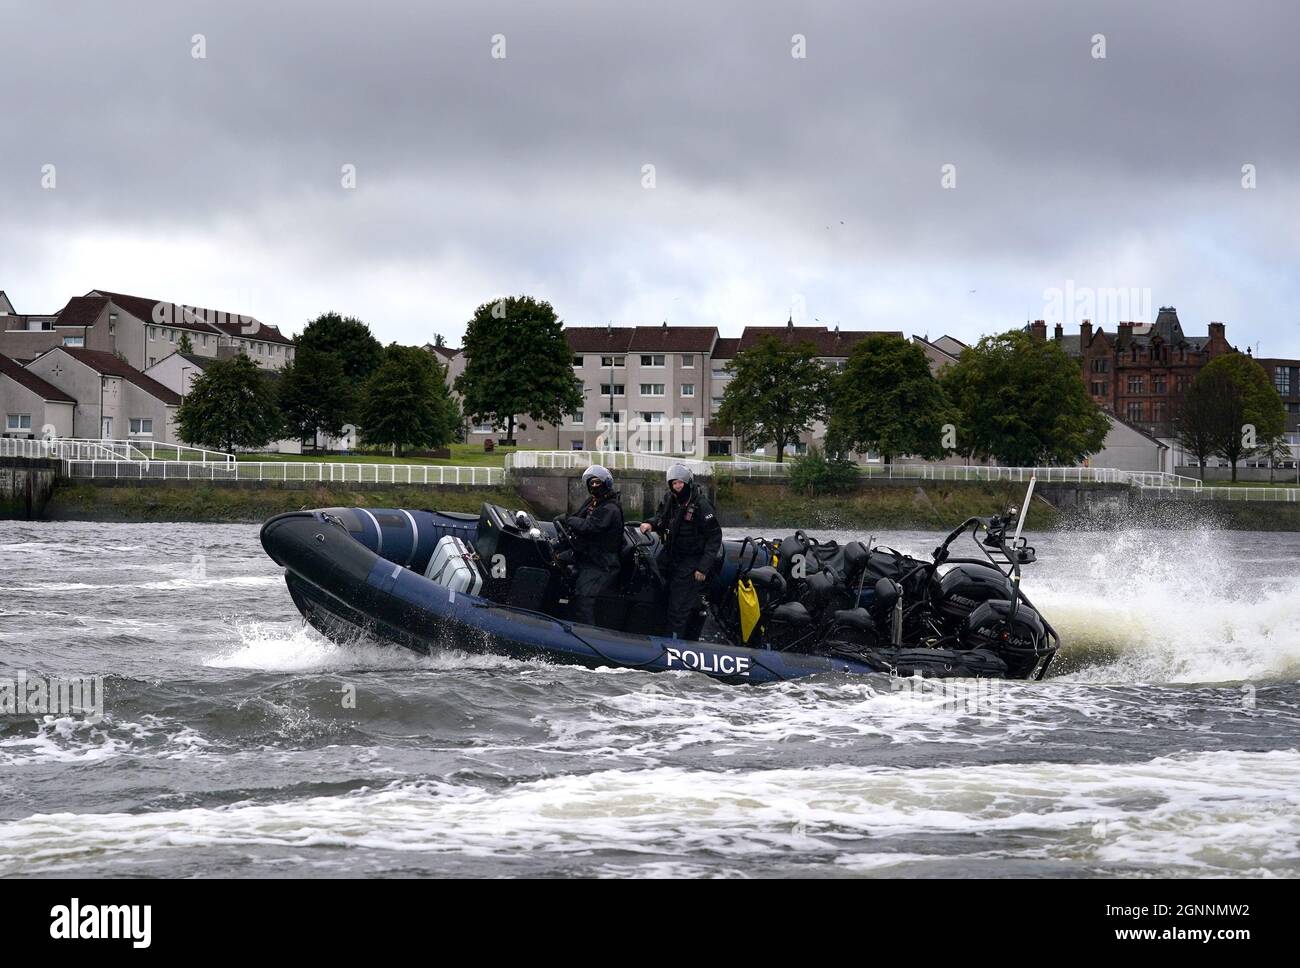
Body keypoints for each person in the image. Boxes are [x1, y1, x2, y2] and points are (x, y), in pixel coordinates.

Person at [639, 462, 722, 638]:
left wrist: (703, 568)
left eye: (680, 483)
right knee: (655, 588)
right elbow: (661, 518)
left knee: (678, 606)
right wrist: (650, 524)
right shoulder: (670, 500)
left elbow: (714, 537)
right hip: (671, 556)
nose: (677, 486)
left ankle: (674, 643)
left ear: (687, 483)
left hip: (691, 561)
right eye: (674, 483)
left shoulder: (701, 505)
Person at [561, 464, 625, 626]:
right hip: (588, 555)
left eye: (597, 482)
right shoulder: (593, 501)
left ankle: (588, 633)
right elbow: (578, 517)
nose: (594, 486)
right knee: (556, 563)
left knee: (584, 596)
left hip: (602, 562)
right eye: (592, 483)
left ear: (606, 483)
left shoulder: (610, 508)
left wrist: (568, 519)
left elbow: (590, 526)